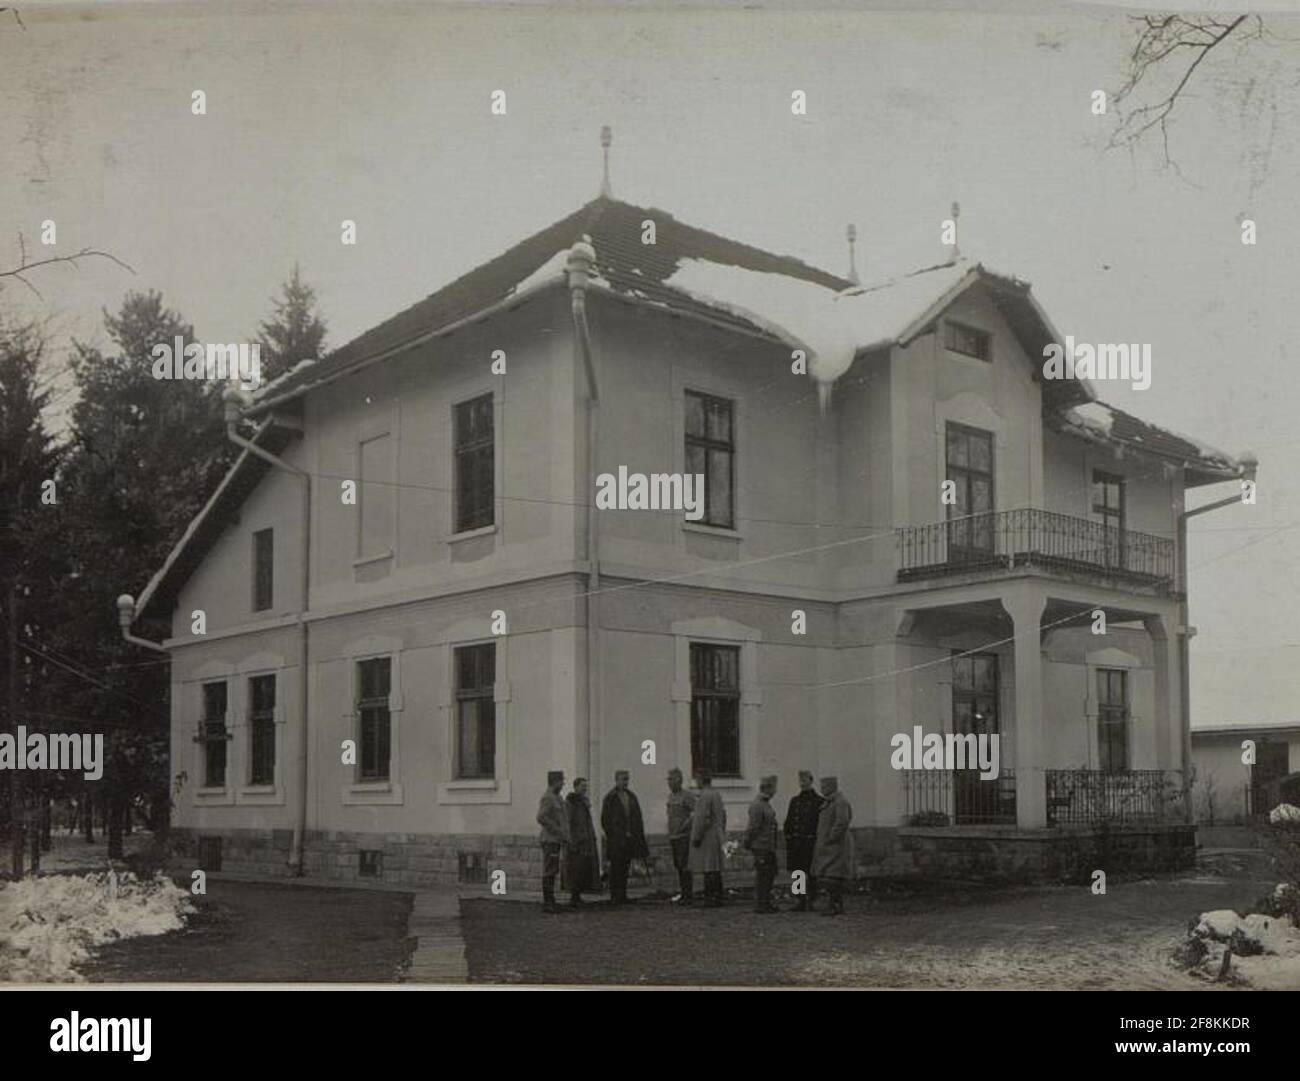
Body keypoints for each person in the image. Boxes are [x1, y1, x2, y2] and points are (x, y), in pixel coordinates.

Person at [600, 770, 649, 905]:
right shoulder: (610, 798)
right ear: (616, 780)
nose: (625, 782)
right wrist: (613, 835)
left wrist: (637, 836)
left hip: (630, 839)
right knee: (616, 868)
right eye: (622, 779)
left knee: (625, 867)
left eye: (627, 779)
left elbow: (638, 817)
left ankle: (623, 894)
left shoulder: (631, 797)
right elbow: (605, 820)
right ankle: (615, 896)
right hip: (617, 840)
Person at [783, 769, 824, 912]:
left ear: (811, 781)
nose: (802, 783)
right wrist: (789, 837)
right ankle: (799, 900)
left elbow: (821, 824)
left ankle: (812, 900)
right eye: (800, 780)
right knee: (797, 873)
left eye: (805, 780)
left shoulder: (819, 801)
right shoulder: (795, 801)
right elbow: (788, 822)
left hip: (810, 842)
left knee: (812, 873)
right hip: (796, 843)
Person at [813, 775, 853, 917]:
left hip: (837, 846)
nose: (822, 789)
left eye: (824, 786)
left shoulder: (840, 802)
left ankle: (836, 905)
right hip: (829, 847)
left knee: (834, 876)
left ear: (832, 786)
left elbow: (842, 822)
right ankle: (833, 904)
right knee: (829, 876)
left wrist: (831, 838)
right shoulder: (829, 802)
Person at [689, 769, 727, 907]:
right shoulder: (716, 794)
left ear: (700, 780)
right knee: (715, 867)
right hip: (716, 835)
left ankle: (710, 897)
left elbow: (702, 819)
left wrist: (696, 837)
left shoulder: (704, 796)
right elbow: (723, 815)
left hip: (707, 836)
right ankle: (718, 896)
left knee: (709, 868)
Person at [536, 769, 571, 914]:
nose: (563, 784)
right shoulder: (548, 798)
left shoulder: (558, 798)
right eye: (561, 781)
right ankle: (548, 902)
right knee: (549, 870)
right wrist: (557, 830)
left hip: (556, 840)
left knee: (553, 869)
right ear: (555, 782)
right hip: (550, 840)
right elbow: (541, 817)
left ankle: (552, 900)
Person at [744, 775, 779, 913]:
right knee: (763, 875)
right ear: (768, 788)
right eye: (774, 787)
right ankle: (761, 904)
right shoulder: (758, 805)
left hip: (767, 845)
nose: (775, 791)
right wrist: (747, 841)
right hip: (761, 846)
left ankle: (765, 902)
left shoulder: (765, 803)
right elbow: (753, 827)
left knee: (769, 874)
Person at [562, 777, 598, 908]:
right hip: (577, 841)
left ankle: (578, 895)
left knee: (583, 869)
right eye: (582, 786)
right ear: (575, 787)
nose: (585, 789)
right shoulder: (570, 802)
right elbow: (568, 822)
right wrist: (571, 840)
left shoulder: (583, 801)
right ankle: (574, 896)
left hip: (585, 840)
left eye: (586, 786)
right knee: (575, 869)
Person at [666, 767, 697, 904]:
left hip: (684, 836)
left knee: (685, 866)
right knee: (678, 865)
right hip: (674, 836)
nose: (669, 782)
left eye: (672, 779)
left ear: (679, 780)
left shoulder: (687, 795)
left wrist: (686, 825)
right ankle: (684, 892)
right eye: (668, 780)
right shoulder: (671, 796)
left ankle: (688, 894)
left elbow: (695, 813)